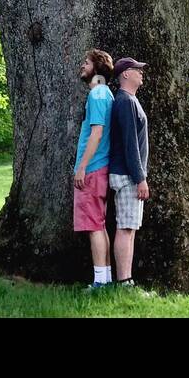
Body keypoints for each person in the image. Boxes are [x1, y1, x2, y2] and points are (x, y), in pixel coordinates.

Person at [73, 47, 115, 290]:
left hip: (93, 169)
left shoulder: (98, 94)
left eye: (86, 62)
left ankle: (99, 282)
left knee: (93, 226)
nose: (82, 66)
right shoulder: (104, 94)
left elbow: (97, 134)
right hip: (99, 168)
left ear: (97, 69)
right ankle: (105, 278)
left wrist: (82, 168)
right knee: (98, 224)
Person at [106, 56, 149, 289]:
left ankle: (127, 280)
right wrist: (140, 178)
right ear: (125, 74)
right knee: (125, 228)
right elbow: (130, 144)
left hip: (129, 174)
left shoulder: (130, 100)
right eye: (137, 70)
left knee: (129, 228)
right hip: (127, 175)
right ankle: (124, 281)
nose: (141, 73)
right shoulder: (125, 101)